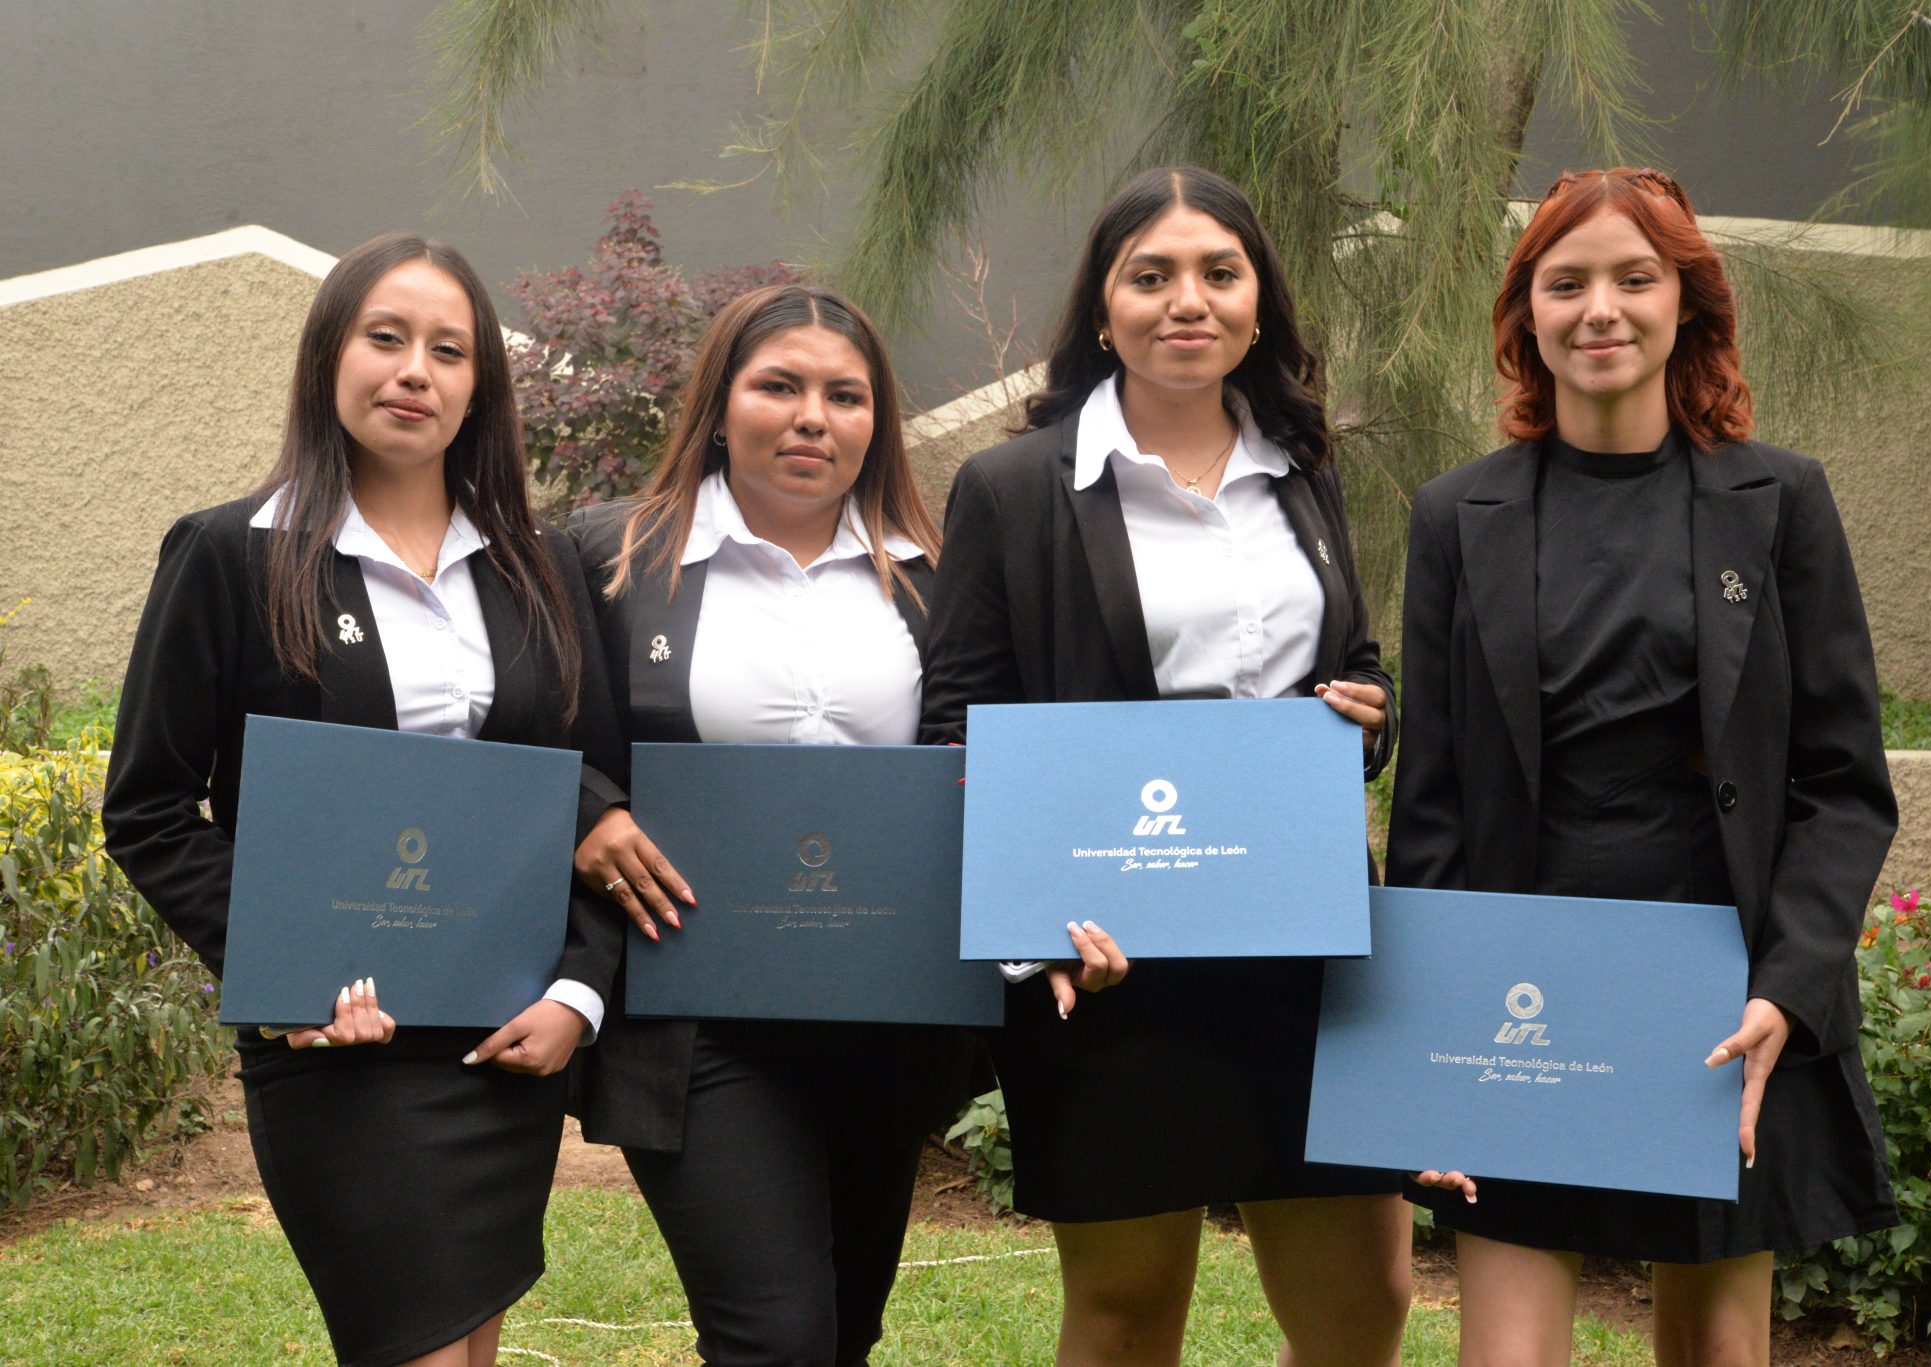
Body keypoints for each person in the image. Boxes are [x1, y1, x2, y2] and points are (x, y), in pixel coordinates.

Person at [1396, 167, 1899, 1366]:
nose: (1599, 309)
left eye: (1634, 277)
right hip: (1523, 995)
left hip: (1724, 995)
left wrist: (1787, 983)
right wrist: (1431, 1040)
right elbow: (1431, 808)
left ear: (1687, 304)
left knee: (1715, 1352)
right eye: (1564, 284)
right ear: (1527, 315)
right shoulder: (1453, 514)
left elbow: (1841, 780)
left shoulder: (1778, 502)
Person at [919, 166, 1411, 1367]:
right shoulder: (1015, 486)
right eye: (1149, 275)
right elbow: (956, 723)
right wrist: (1034, 925)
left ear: (1256, 306)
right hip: (1114, 957)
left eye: (1216, 273)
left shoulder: (1302, 468)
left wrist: (1367, 712)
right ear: (1102, 309)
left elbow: (1350, 662)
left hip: (1304, 940)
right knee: (1130, 1304)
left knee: (1365, 1301)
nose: (1183, 300)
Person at [102, 233, 621, 1367]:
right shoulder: (229, 555)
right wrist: (286, 963)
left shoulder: (541, 565)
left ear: (479, 384)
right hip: (339, 1047)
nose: (413, 371)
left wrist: (580, 990)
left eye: (449, 349)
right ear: (328, 355)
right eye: (384, 338)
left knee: (469, 1347)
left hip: (503, 1033)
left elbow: (590, 798)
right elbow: (146, 807)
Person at [564, 283, 960, 1367]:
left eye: (844, 394)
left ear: (874, 421)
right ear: (719, 400)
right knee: (773, 1337)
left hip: (882, 1007)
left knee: (845, 1329)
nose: (810, 417)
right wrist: (589, 813)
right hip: (694, 1009)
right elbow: (534, 730)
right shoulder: (610, 560)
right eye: (777, 385)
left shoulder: (935, 574)